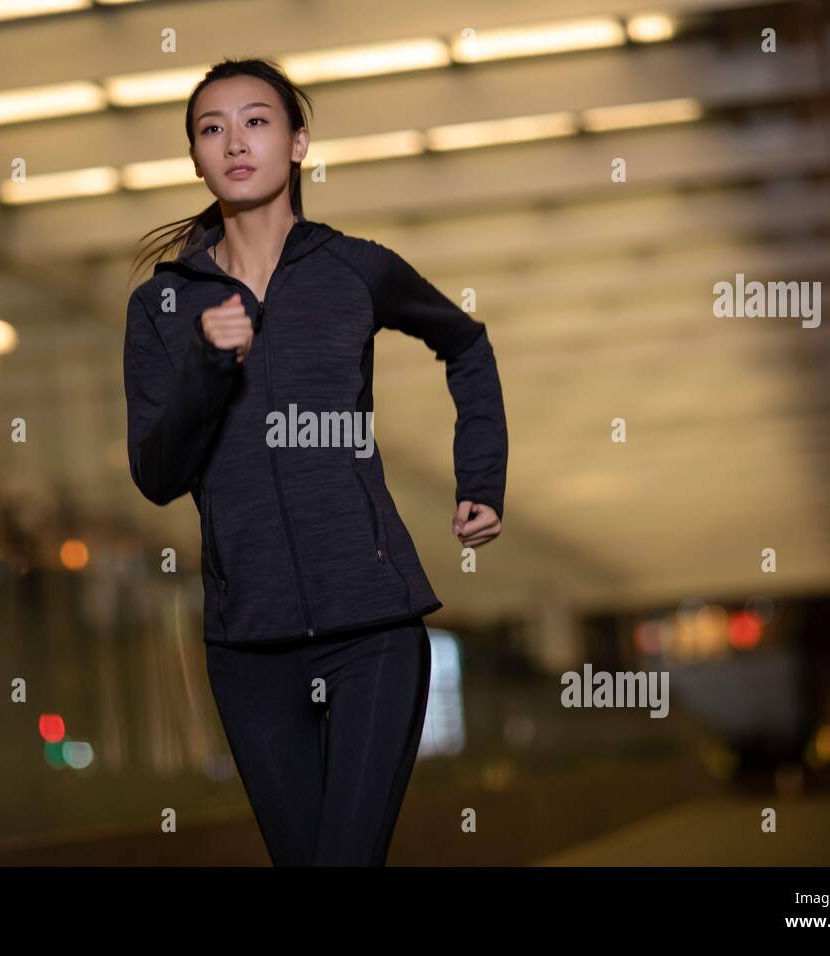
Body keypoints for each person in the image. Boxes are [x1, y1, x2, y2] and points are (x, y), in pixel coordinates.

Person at [123, 57, 507, 865]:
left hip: (372, 627)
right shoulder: (162, 305)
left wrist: (482, 478)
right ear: (194, 157)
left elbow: (465, 343)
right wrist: (205, 362)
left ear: (299, 144)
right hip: (247, 645)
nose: (235, 141)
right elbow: (156, 476)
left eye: (257, 121)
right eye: (211, 128)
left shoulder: (354, 268)